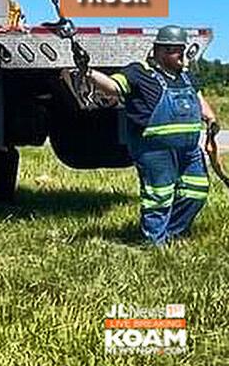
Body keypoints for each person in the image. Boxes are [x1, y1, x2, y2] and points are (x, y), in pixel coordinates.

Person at [85, 25, 219, 245]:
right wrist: (88, 72)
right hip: (155, 151)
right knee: (159, 196)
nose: (182, 55)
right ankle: (155, 242)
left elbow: (198, 99)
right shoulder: (138, 73)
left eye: (182, 49)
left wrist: (211, 119)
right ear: (161, 51)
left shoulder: (186, 77)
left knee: (197, 191)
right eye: (176, 50)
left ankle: (173, 234)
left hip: (189, 151)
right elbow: (112, 87)